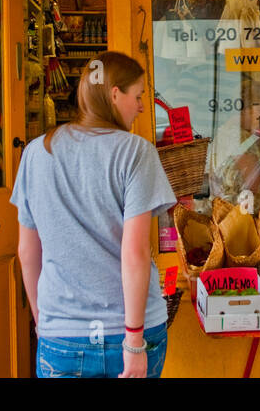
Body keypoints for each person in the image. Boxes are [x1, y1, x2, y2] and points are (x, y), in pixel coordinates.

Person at [10, 50, 176, 378]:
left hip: (62, 332)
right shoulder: (136, 152)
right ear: (115, 94)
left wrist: (44, 321)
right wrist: (133, 341)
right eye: (138, 96)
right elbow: (135, 253)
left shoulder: (35, 153)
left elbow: (28, 251)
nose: (142, 106)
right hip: (127, 334)